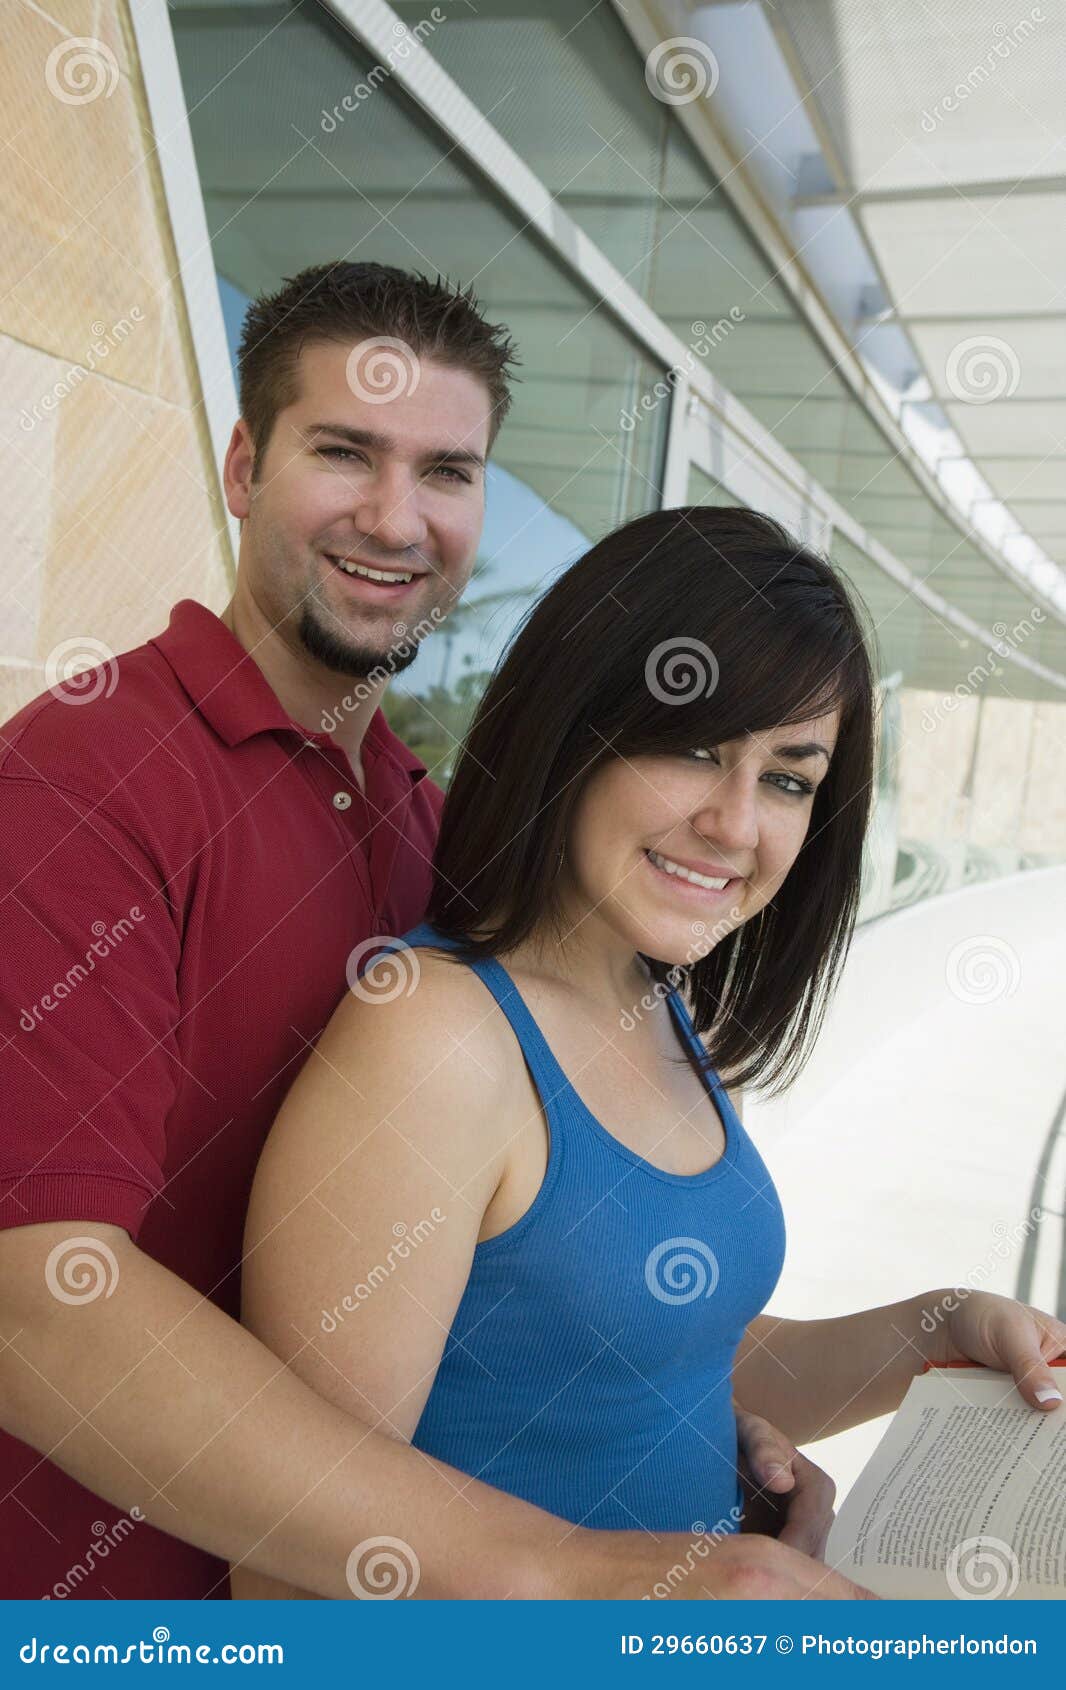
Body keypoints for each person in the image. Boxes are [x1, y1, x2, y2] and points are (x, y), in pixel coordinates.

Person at [0, 260, 857, 1602]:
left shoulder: (431, 823)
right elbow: (34, 1296)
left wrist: (682, 1443)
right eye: (345, 452)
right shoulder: (83, 777)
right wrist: (576, 1566)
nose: (396, 517)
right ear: (241, 465)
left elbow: (519, 1281)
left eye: (449, 472)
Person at [234, 505, 1066, 1601]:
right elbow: (295, 1561)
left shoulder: (657, 1000)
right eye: (691, 747)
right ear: (574, 728)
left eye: (787, 777)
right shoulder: (434, 1039)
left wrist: (933, 1333)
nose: (735, 824)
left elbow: (657, 1358)